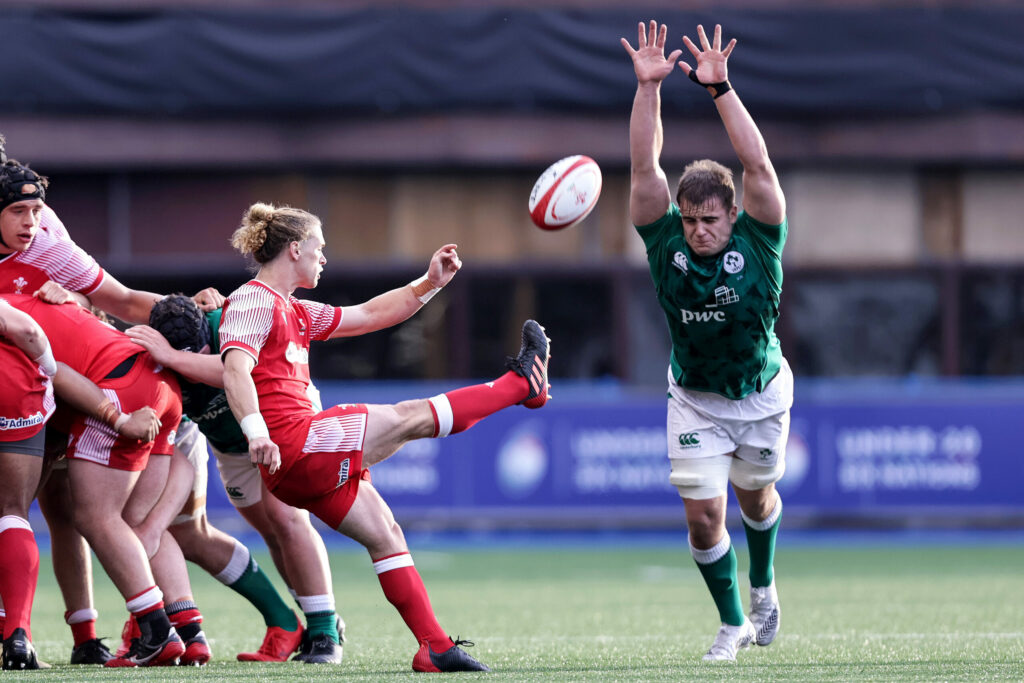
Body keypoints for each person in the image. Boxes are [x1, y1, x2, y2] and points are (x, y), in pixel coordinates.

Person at [219, 202, 550, 673]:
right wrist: (255, 432)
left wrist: (430, 283)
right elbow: (235, 370)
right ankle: (520, 385)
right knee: (407, 417)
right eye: (319, 248)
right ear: (294, 249)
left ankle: (434, 647)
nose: (323, 258)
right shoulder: (253, 300)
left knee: (386, 535)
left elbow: (372, 313)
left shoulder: (295, 310)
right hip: (296, 444)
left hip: (296, 464)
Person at [0, 135, 223, 664]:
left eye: (35, 210)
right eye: (20, 211)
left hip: (92, 386)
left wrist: (188, 312)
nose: (31, 221)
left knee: (83, 517)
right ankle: (176, 631)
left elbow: (115, 301)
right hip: (138, 382)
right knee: (111, 523)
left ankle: (151, 631)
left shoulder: (47, 241)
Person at [621, 21, 789, 662]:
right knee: (702, 517)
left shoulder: (760, 237)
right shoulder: (664, 238)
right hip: (694, 397)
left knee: (757, 499)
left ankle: (764, 584)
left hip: (762, 391)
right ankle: (732, 622)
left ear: (733, 215)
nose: (697, 230)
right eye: (689, 219)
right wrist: (649, 89)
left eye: (709, 219)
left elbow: (758, 164)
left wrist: (720, 89)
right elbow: (644, 166)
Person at [128, 294, 347, 663]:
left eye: (198, 354)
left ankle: (325, 631)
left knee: (287, 518)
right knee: (270, 532)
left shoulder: (226, 323)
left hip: (278, 423)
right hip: (230, 446)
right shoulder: (154, 360)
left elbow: (234, 369)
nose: (191, 371)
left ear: (206, 330)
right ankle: (305, 618)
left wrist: (175, 358)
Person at [0, 299, 159, 670]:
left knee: (62, 513)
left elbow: (104, 294)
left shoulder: (50, 276)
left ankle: (84, 637)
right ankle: (19, 634)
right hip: (24, 387)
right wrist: (50, 370)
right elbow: (31, 330)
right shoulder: (45, 275)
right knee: (17, 513)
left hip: (61, 406)